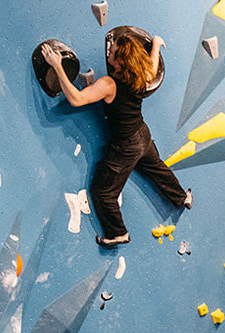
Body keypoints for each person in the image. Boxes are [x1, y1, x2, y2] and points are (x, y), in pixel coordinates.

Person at [42, 33, 191, 247]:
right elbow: (152, 65)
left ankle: (117, 232)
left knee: (103, 191)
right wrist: (156, 45)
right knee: (156, 168)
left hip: (126, 147)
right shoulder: (142, 73)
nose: (109, 50)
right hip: (142, 134)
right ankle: (181, 197)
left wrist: (57, 66)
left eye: (113, 51)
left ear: (120, 61)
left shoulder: (109, 85)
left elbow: (76, 99)